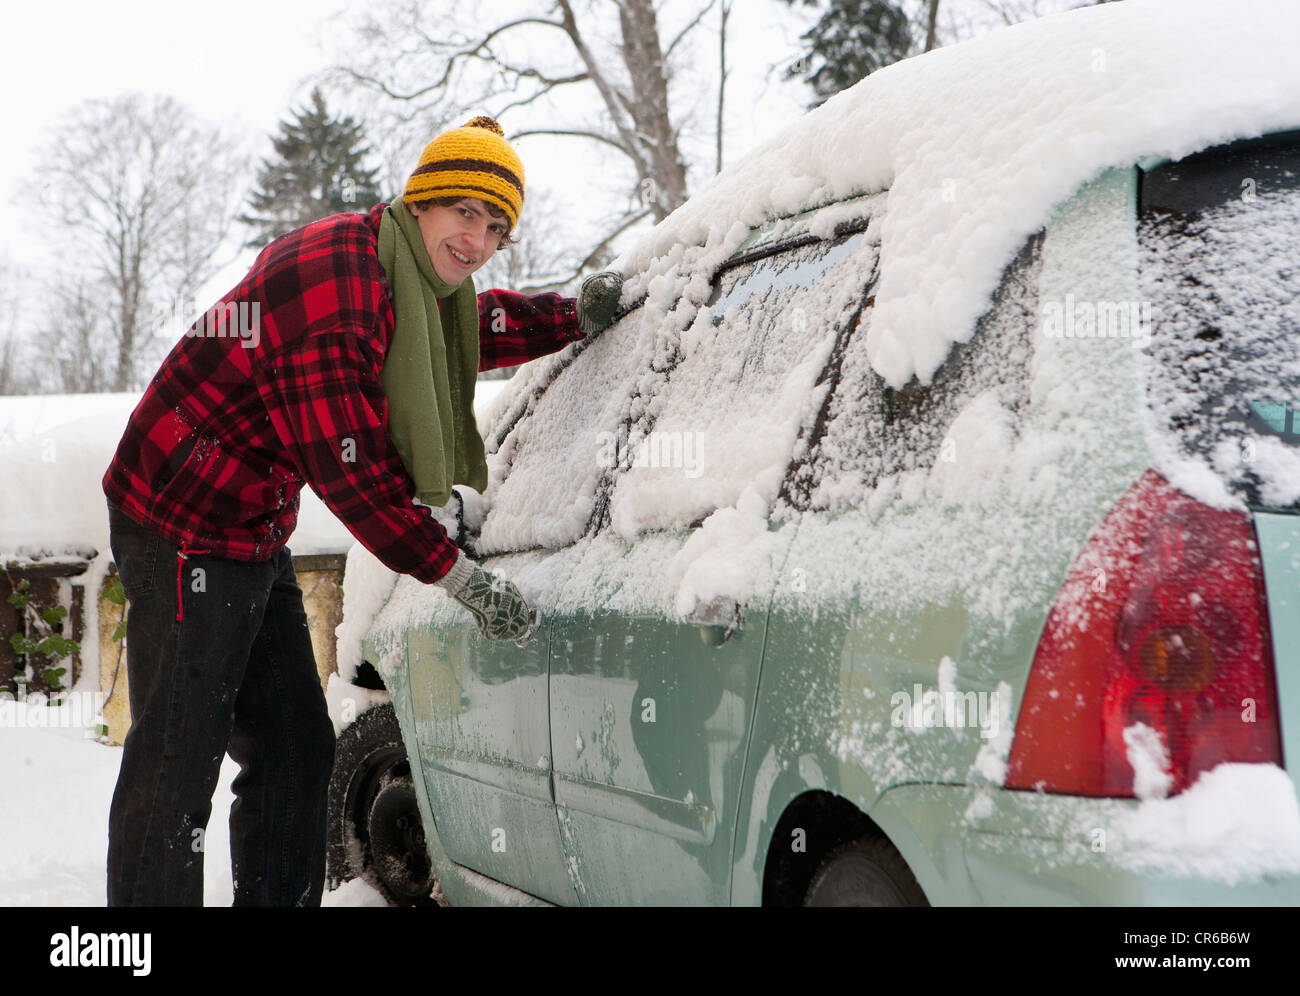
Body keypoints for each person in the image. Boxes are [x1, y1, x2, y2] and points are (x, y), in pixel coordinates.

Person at [101, 115, 623, 906]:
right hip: (182, 517)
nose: (478, 242)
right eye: (466, 215)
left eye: (496, 228)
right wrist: (457, 577)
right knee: (177, 759)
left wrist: (572, 315)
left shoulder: (409, 278)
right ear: (423, 201)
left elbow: (469, 330)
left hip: (251, 523)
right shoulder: (332, 285)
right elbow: (352, 474)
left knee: (295, 750)